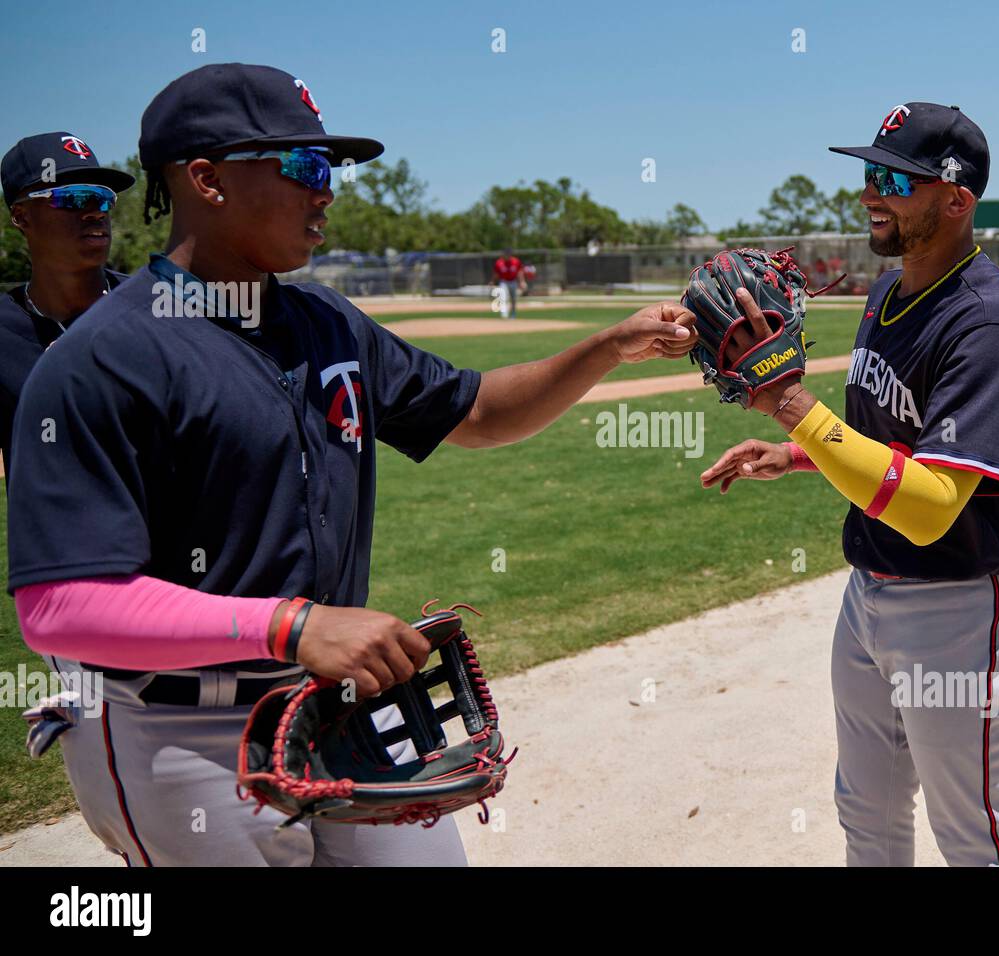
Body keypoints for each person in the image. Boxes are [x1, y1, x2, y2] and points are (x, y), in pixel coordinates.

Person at [5, 63, 697, 867]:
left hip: (338, 707)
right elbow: (57, 607)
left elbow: (475, 411)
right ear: (206, 178)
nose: (326, 189)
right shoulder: (104, 359)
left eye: (328, 167)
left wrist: (607, 348)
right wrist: (289, 625)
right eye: (304, 165)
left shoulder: (324, 319)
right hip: (181, 733)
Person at [700, 102, 999, 866]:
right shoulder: (887, 295)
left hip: (957, 604)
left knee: (974, 838)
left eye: (895, 179)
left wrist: (789, 401)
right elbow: (889, 447)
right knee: (868, 812)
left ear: (957, 200)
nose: (869, 193)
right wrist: (795, 452)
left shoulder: (987, 324)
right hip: (867, 598)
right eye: (869, 172)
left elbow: (928, 509)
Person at [0, 132, 135, 475]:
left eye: (102, 199)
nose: (95, 212)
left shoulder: (152, 310)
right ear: (21, 216)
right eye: (73, 198)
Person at [492, 247, 523, 318]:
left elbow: (519, 272)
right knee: (503, 297)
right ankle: (504, 315)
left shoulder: (516, 261)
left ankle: (513, 314)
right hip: (503, 281)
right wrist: (493, 282)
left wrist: (521, 282)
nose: (507, 255)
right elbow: (496, 274)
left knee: (513, 299)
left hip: (513, 281)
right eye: (506, 253)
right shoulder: (499, 262)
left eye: (509, 253)